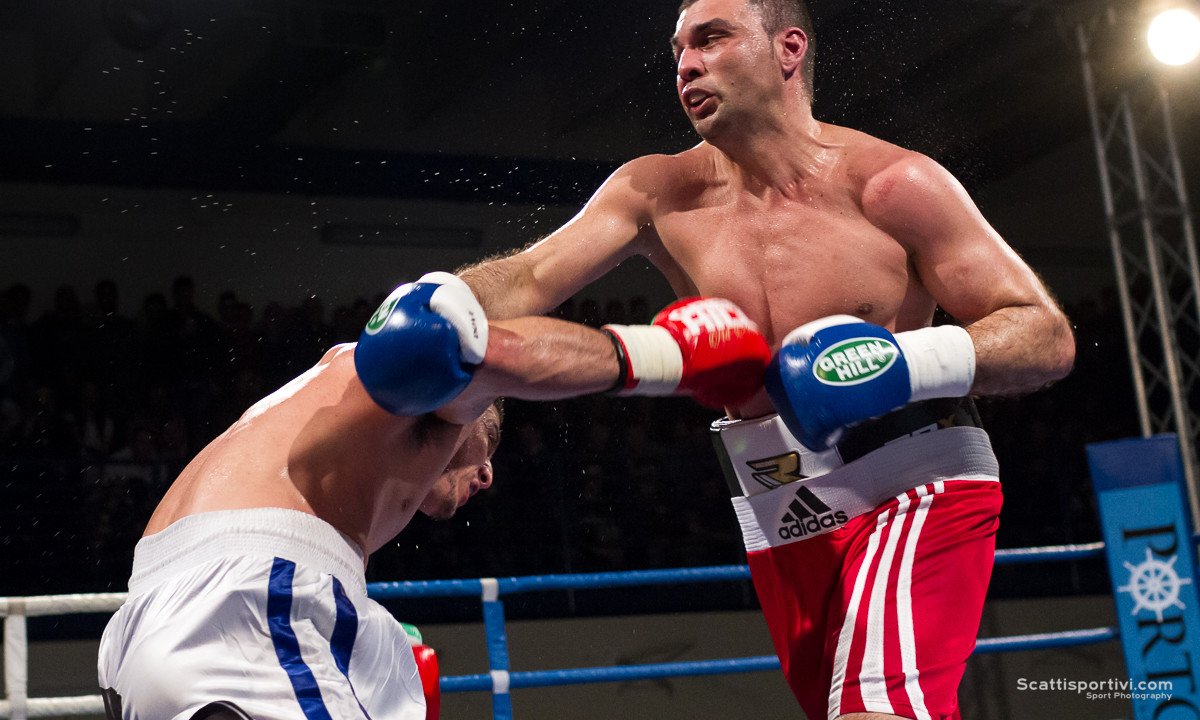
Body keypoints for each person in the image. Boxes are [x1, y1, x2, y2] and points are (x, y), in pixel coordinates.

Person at [457, 0, 1075, 720]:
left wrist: (902, 364)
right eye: (678, 50)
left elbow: (1045, 333)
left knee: (878, 709)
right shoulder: (658, 192)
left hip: (917, 479)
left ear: (789, 50)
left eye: (710, 38)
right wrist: (436, 304)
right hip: (778, 506)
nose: (685, 64)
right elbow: (526, 277)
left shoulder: (892, 184)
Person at [97, 272, 770, 720]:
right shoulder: (407, 388)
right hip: (247, 608)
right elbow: (456, 338)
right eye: (491, 444)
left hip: (147, 632)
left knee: (391, 658)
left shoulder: (314, 415)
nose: (489, 476)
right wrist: (672, 355)